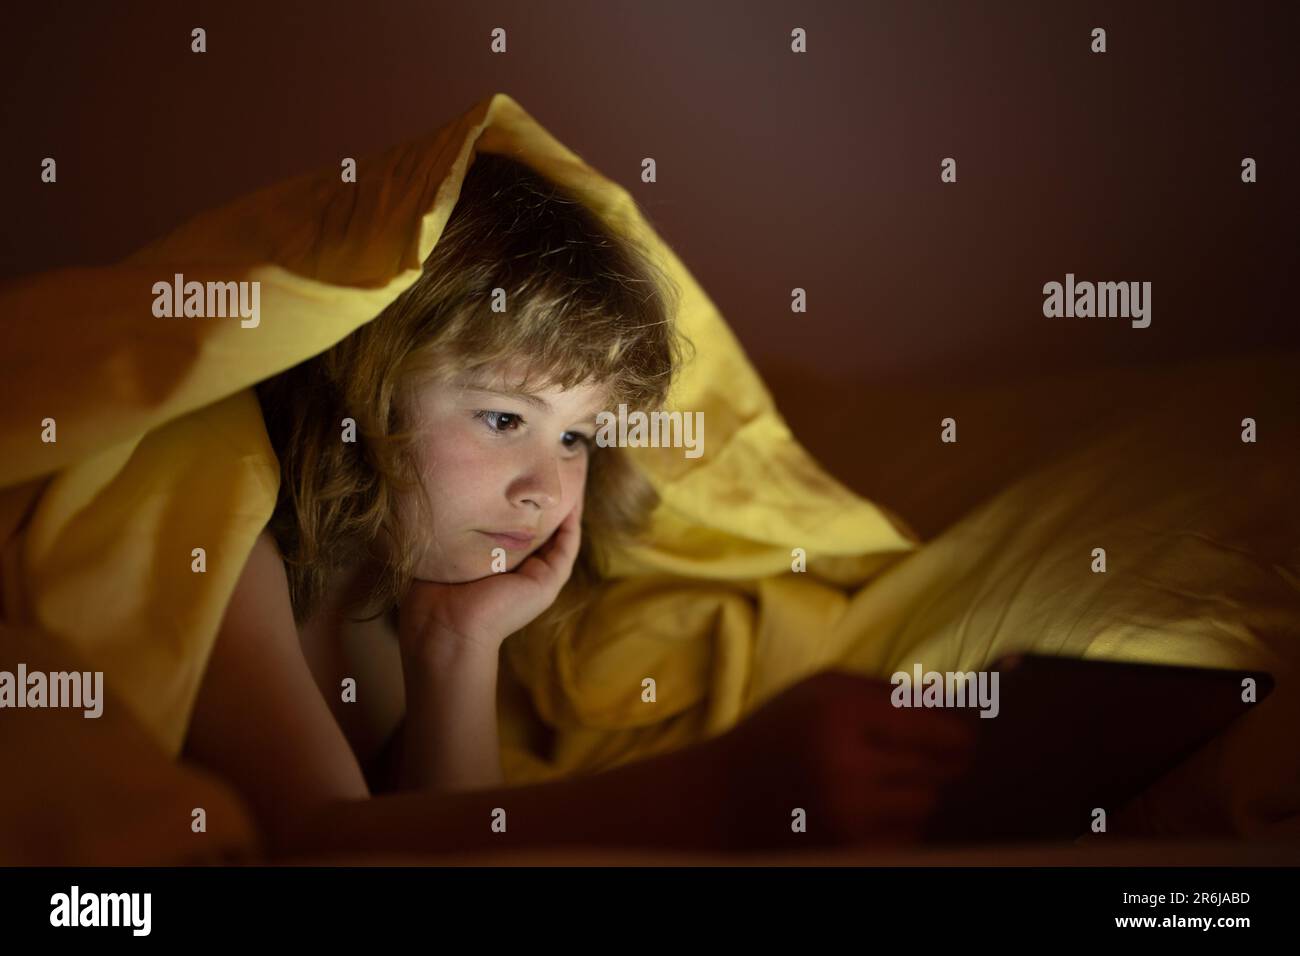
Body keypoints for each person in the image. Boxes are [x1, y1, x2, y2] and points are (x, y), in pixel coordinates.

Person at [180, 152, 976, 859]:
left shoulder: (425, 588)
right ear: (366, 383)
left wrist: (456, 646)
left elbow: (453, 844)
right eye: (504, 420)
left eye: (578, 439)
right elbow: (319, 844)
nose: (544, 488)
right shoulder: (227, 530)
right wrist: (718, 797)